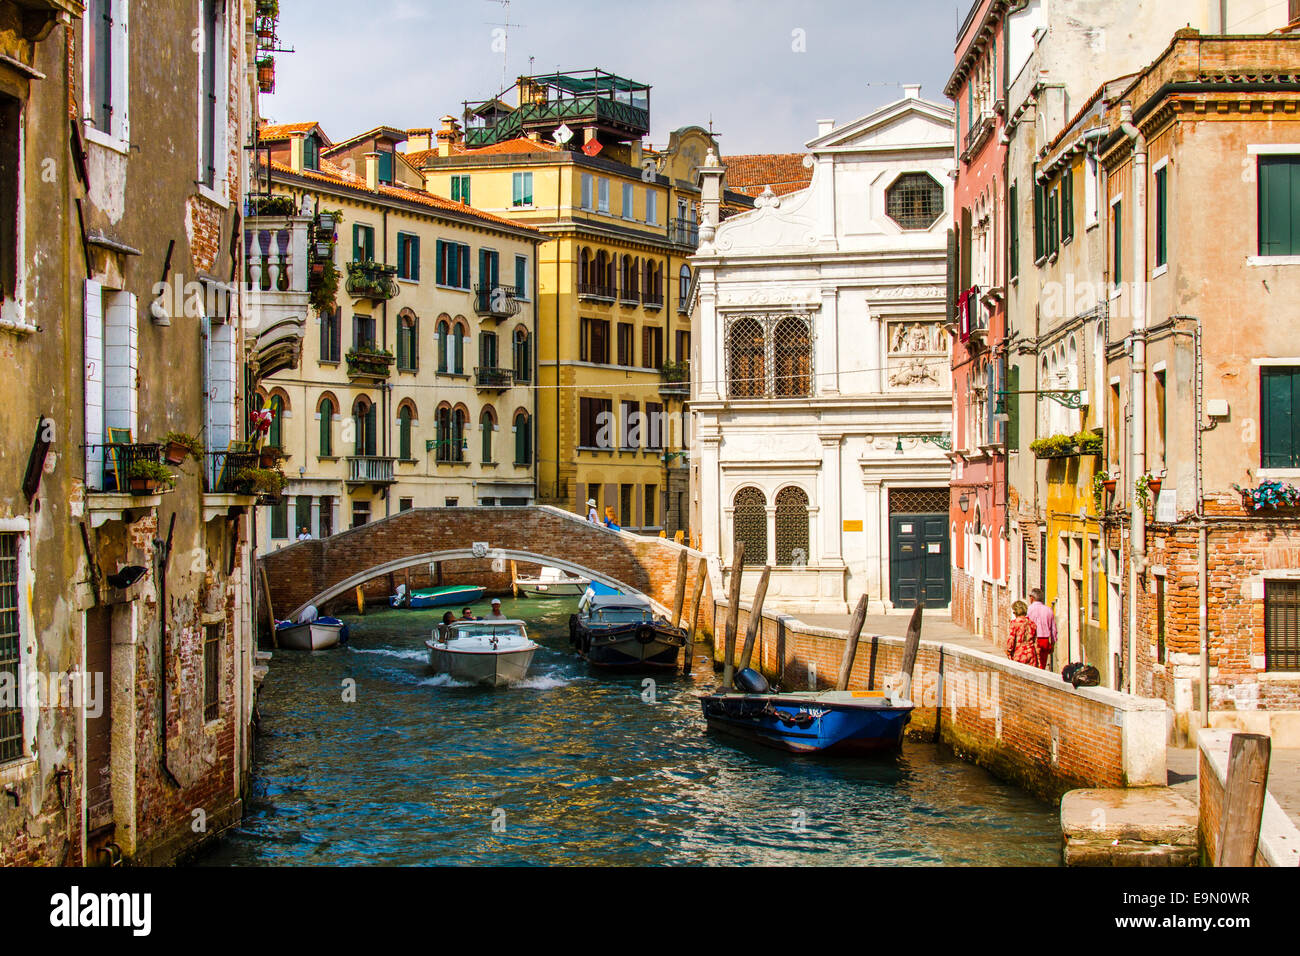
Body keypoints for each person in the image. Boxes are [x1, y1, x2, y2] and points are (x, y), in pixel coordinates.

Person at [1026, 588, 1058, 670]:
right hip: (1045, 640)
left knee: (1032, 664)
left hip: (1033, 639)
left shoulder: (1029, 610)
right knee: (1042, 665)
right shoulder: (1049, 610)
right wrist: (1053, 644)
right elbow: (1053, 630)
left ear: (1032, 598)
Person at [1006, 600, 1038, 666]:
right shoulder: (1032, 623)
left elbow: (1011, 639)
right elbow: (1036, 641)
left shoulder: (1014, 623)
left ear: (1016, 611)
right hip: (1031, 652)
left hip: (1019, 653)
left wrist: (1009, 651)